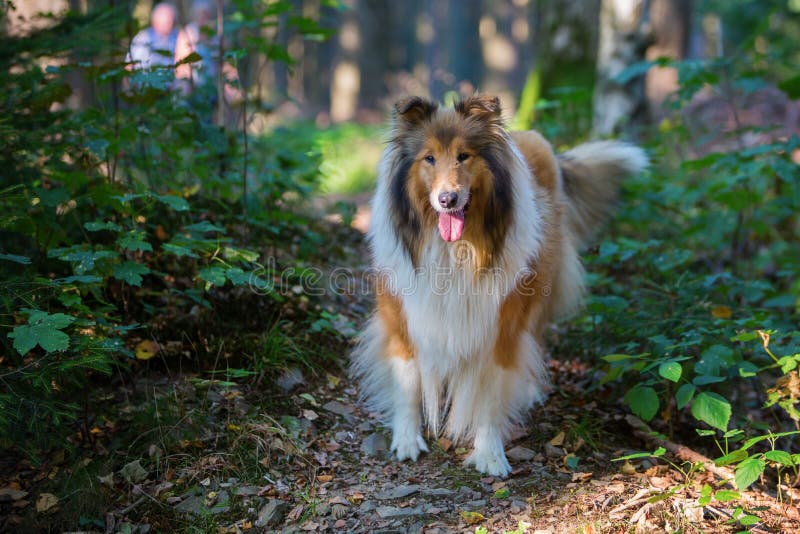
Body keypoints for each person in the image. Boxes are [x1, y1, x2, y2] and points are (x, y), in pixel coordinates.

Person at [174, 0, 241, 108]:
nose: (203, 18)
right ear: (195, 15)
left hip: (213, 84)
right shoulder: (189, 32)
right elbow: (181, 64)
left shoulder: (216, 34)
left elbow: (226, 63)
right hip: (192, 85)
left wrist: (231, 89)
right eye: (200, 14)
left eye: (206, 14)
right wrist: (187, 84)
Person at [127, 3, 179, 70]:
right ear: (154, 21)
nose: (167, 25)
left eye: (169, 21)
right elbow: (129, 65)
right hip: (146, 78)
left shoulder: (177, 37)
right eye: (163, 22)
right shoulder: (142, 38)